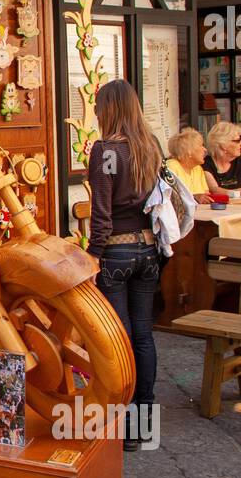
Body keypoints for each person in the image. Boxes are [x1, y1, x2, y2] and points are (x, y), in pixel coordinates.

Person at [87, 80, 162, 451]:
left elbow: (101, 215)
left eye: (99, 105)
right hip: (148, 251)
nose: (96, 111)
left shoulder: (105, 150)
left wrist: (91, 255)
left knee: (119, 340)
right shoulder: (150, 146)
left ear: (109, 109)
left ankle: (123, 425)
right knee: (144, 336)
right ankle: (143, 425)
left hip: (115, 254)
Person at [166, 127, 227, 204]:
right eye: (201, 145)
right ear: (189, 151)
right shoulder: (171, 166)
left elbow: (205, 195)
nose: (205, 150)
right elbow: (169, 197)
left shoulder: (198, 169)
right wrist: (194, 197)